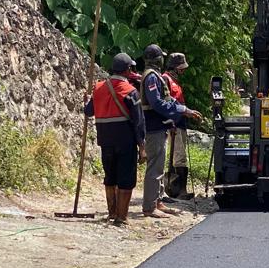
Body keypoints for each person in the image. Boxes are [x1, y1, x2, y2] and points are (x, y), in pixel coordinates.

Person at [84, 53, 146, 226]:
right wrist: (142, 146)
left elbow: (88, 112)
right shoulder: (130, 91)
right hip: (125, 141)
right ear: (127, 70)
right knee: (126, 178)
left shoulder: (98, 88)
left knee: (110, 176)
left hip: (105, 140)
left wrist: (87, 101)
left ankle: (112, 213)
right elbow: (138, 122)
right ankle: (121, 217)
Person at [139, 44, 195, 218]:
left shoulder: (155, 76)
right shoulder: (151, 78)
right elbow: (157, 103)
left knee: (159, 166)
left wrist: (181, 109)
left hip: (160, 126)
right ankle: (149, 206)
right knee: (154, 168)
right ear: (157, 59)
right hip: (153, 127)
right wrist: (181, 110)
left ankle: (158, 201)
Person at [162, 52, 200, 200]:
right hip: (174, 123)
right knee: (179, 156)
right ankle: (180, 190)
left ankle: (176, 188)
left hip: (180, 122)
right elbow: (167, 102)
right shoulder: (166, 79)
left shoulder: (175, 80)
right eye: (181, 67)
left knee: (179, 155)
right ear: (174, 67)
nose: (183, 70)